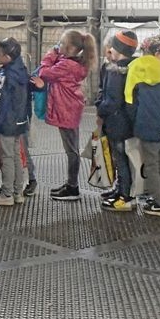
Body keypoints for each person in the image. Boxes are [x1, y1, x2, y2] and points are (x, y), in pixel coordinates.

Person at [31, 29, 96, 201]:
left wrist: (50, 54)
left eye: (61, 43)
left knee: (71, 150)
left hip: (66, 109)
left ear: (70, 47)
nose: (58, 46)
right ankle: (70, 184)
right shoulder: (73, 62)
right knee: (71, 148)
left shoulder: (67, 65)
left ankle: (73, 187)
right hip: (70, 107)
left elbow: (44, 72)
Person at [126, 35, 160, 217]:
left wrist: (134, 123)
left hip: (147, 125)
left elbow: (130, 100)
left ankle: (159, 203)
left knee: (151, 165)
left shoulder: (135, 68)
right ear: (157, 53)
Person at [98, 31, 139, 212]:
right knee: (124, 158)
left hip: (117, 123)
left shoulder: (116, 72)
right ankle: (121, 189)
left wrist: (100, 109)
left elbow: (112, 100)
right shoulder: (133, 67)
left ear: (118, 49)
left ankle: (125, 196)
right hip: (129, 122)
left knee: (121, 159)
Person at [0, 37, 31, 207]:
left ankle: (6, 194)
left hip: (7, 122)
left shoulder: (7, 75)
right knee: (15, 157)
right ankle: (17, 192)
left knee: (7, 157)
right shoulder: (21, 70)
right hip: (19, 121)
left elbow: (2, 101)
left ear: (7, 57)